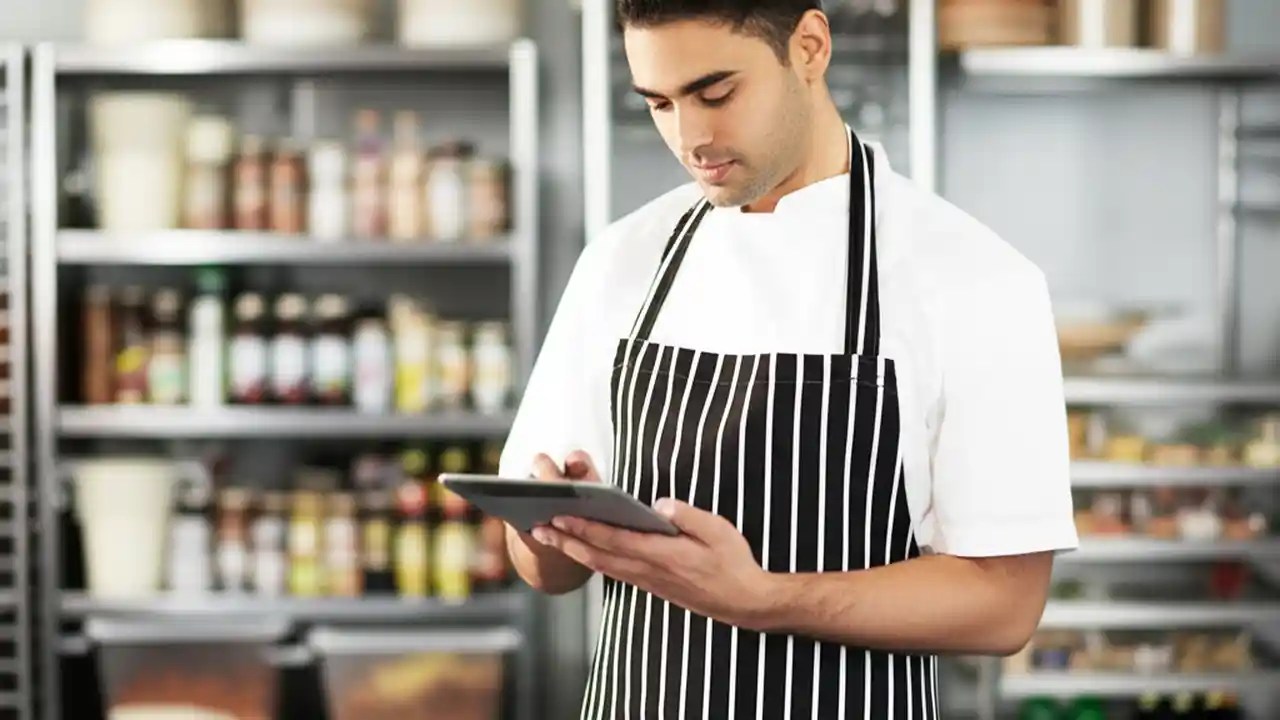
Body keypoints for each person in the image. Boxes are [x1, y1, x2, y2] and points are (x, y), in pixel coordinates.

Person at [500, 1, 1078, 717]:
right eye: (659, 103)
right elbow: (541, 570)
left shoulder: (976, 279)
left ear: (808, 47)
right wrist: (556, 529)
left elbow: (1004, 606)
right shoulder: (622, 261)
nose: (691, 137)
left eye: (717, 93)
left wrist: (764, 600)